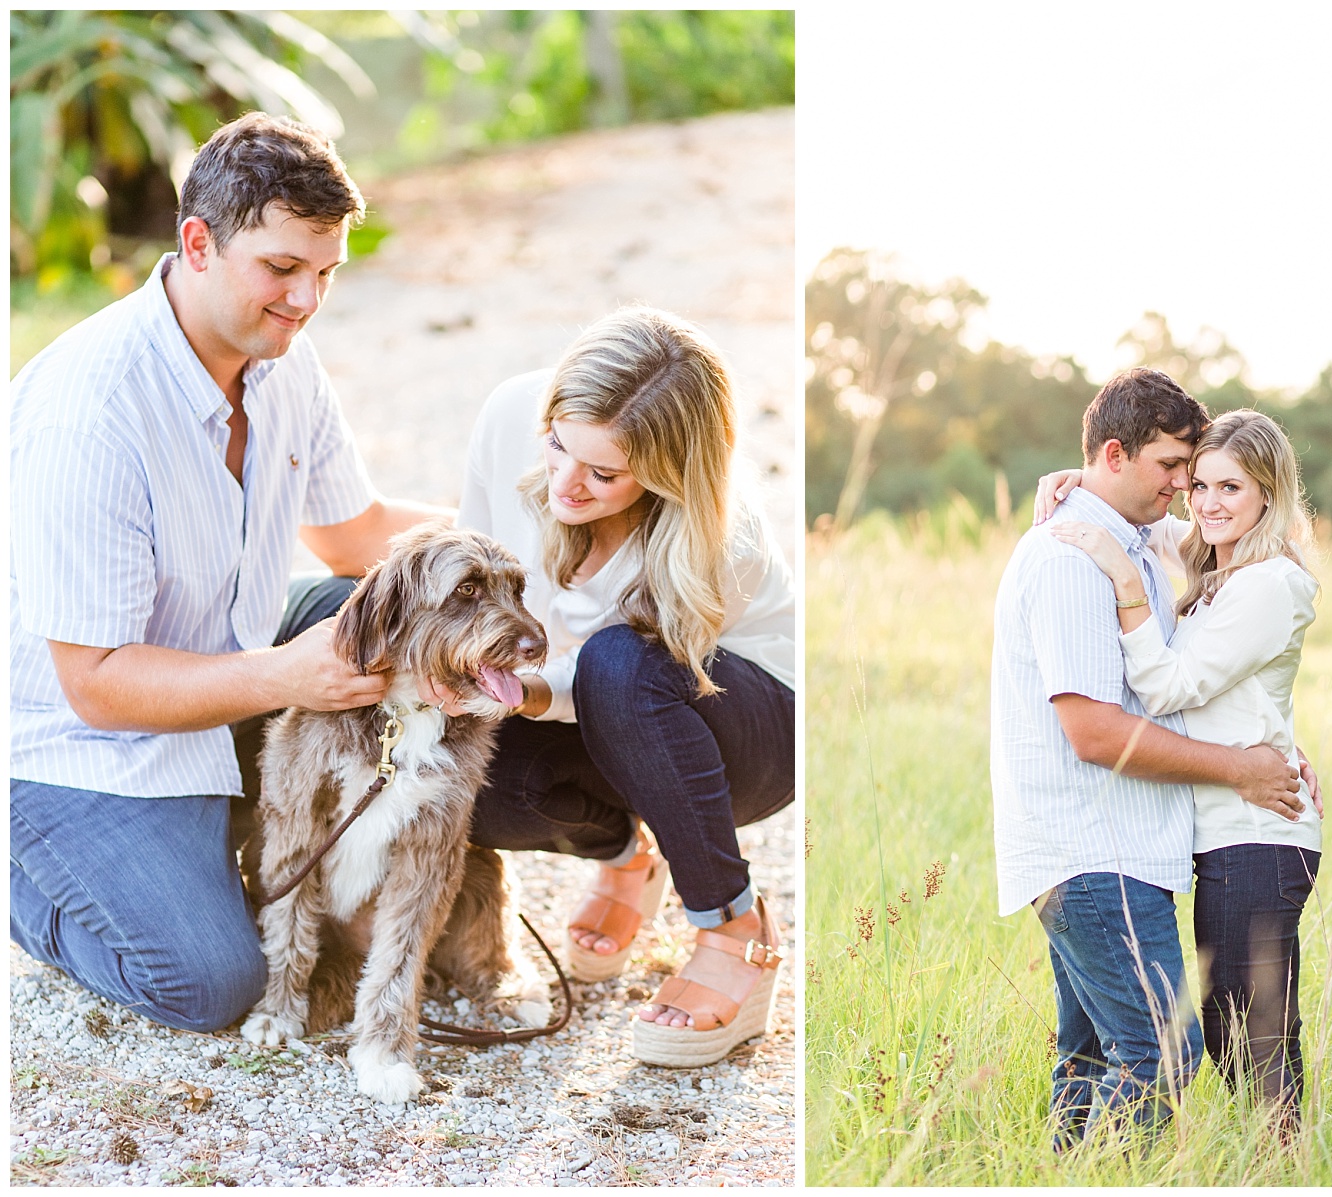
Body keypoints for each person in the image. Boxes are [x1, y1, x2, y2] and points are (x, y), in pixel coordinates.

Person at [9, 113, 449, 1033]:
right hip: (81, 751)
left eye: (324, 274)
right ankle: (33, 876)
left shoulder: (280, 357)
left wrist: (513, 543)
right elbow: (93, 685)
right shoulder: (90, 415)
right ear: (197, 243)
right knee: (210, 980)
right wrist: (290, 677)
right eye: (282, 270)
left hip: (229, 676)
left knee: (403, 610)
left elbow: (353, 536)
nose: (305, 300)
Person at [444, 306, 795, 1067]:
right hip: (599, 704)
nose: (566, 483)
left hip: (741, 722)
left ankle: (734, 927)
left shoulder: (713, 536)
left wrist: (532, 693)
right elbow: (473, 572)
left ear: (668, 473)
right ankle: (629, 853)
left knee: (618, 664)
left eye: (604, 473)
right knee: (473, 773)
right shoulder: (511, 412)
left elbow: (625, 681)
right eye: (559, 446)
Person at [990, 368, 1310, 1146]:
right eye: (1176, 469)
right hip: (1096, 852)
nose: (1188, 491)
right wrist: (1243, 765)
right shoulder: (1074, 558)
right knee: (1164, 1053)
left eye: (1205, 476)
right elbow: (1095, 732)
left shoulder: (1132, 544)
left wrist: (1274, 746)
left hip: (1124, 853)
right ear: (1115, 452)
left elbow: (1215, 662)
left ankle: (1073, 1167)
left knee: (1095, 1056)